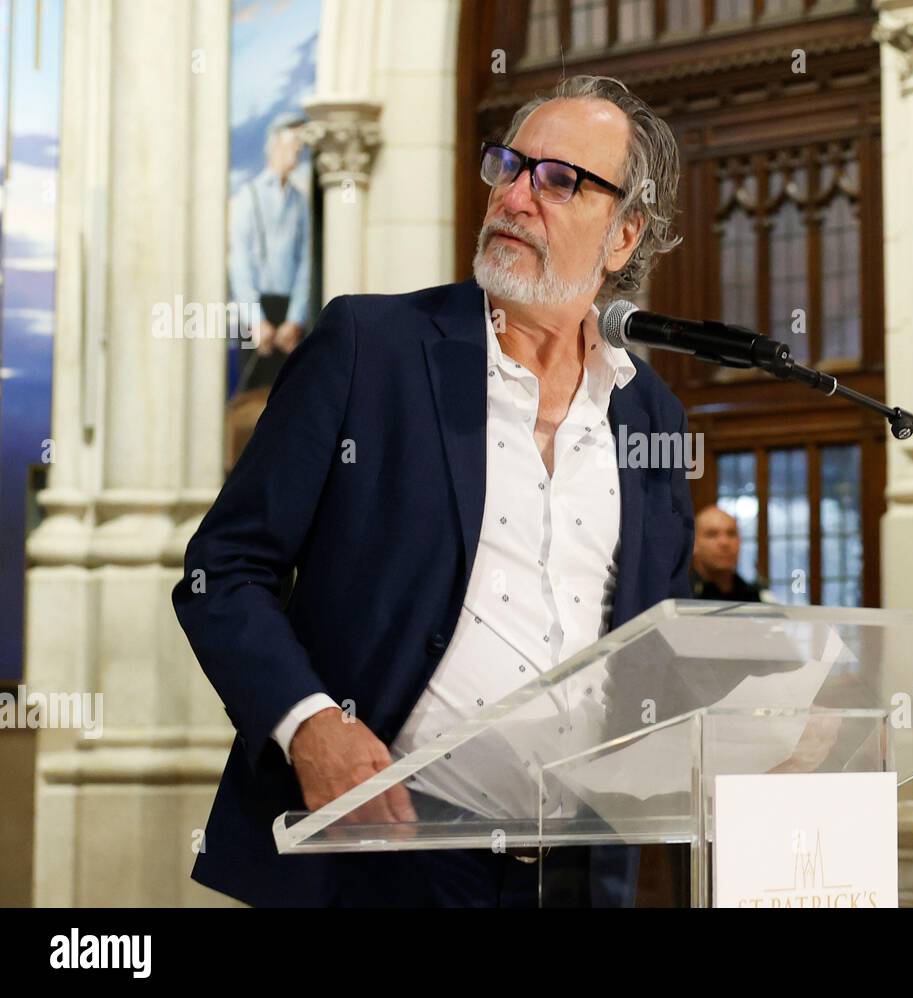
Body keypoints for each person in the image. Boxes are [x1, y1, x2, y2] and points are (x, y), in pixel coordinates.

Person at [173, 75, 694, 906]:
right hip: (378, 859)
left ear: (625, 235)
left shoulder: (651, 413)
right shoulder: (370, 348)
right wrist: (309, 723)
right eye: (509, 167)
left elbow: (656, 652)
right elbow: (223, 571)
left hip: (573, 876)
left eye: (559, 181)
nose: (518, 196)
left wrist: (769, 726)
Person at [227, 111, 313, 392]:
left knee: (290, 399)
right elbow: (239, 263)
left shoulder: (300, 203)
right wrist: (256, 320)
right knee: (253, 401)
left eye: (300, 145)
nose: (297, 151)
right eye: (292, 144)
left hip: (288, 313)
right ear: (275, 144)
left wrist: (295, 319)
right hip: (256, 311)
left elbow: (305, 263)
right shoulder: (248, 197)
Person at [690, 505, 769, 601]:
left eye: (731, 534)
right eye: (712, 534)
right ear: (693, 543)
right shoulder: (679, 596)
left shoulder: (755, 596)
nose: (724, 542)